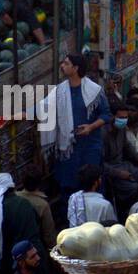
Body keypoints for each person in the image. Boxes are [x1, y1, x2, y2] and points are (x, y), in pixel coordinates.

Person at [37, 52, 109, 195]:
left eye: (66, 63)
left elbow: (106, 114)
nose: (62, 66)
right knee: (68, 187)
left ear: (75, 68)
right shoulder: (59, 91)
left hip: (90, 148)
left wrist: (91, 127)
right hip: (68, 149)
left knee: (91, 186)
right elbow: (43, 106)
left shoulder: (94, 90)